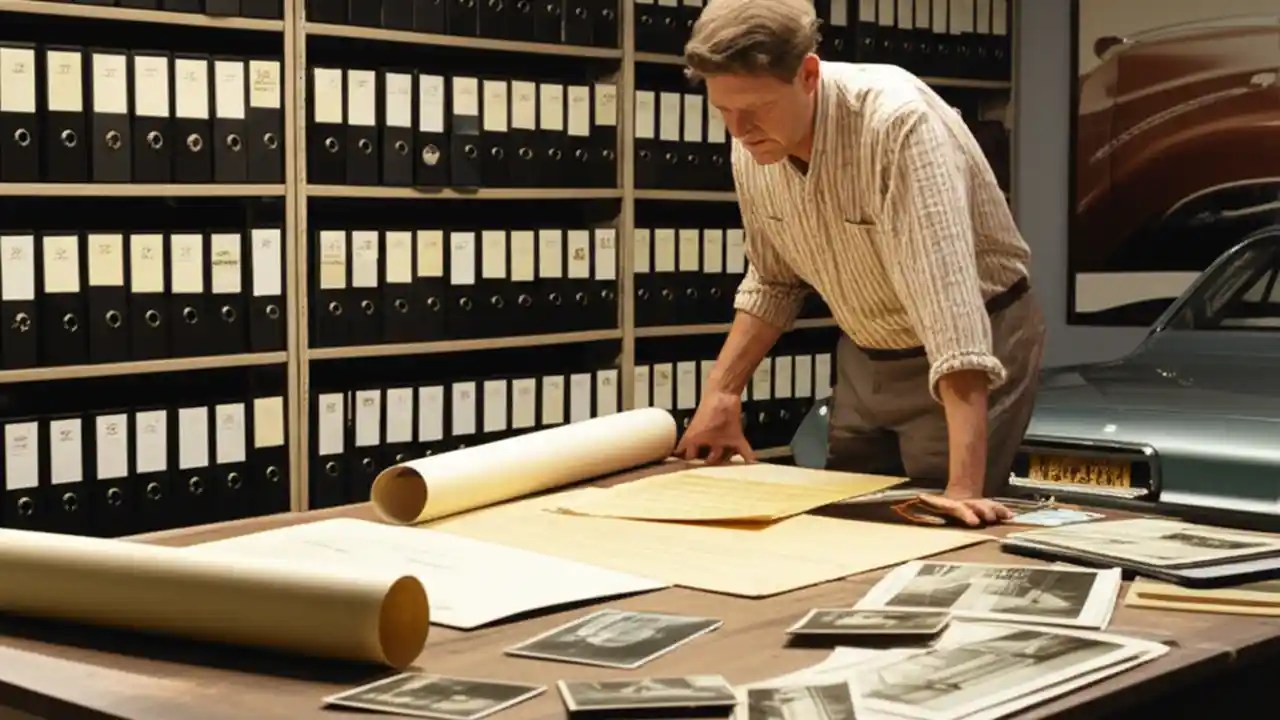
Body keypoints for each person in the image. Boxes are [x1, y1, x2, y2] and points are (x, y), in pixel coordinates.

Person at [672, 0, 1046, 527]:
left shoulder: (897, 125)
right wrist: (722, 393)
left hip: (974, 341)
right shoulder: (755, 143)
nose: (738, 130)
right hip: (867, 349)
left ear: (807, 74)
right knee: (849, 517)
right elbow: (773, 281)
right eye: (722, 112)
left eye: (753, 110)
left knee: (939, 523)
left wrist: (964, 488)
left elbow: (952, 313)